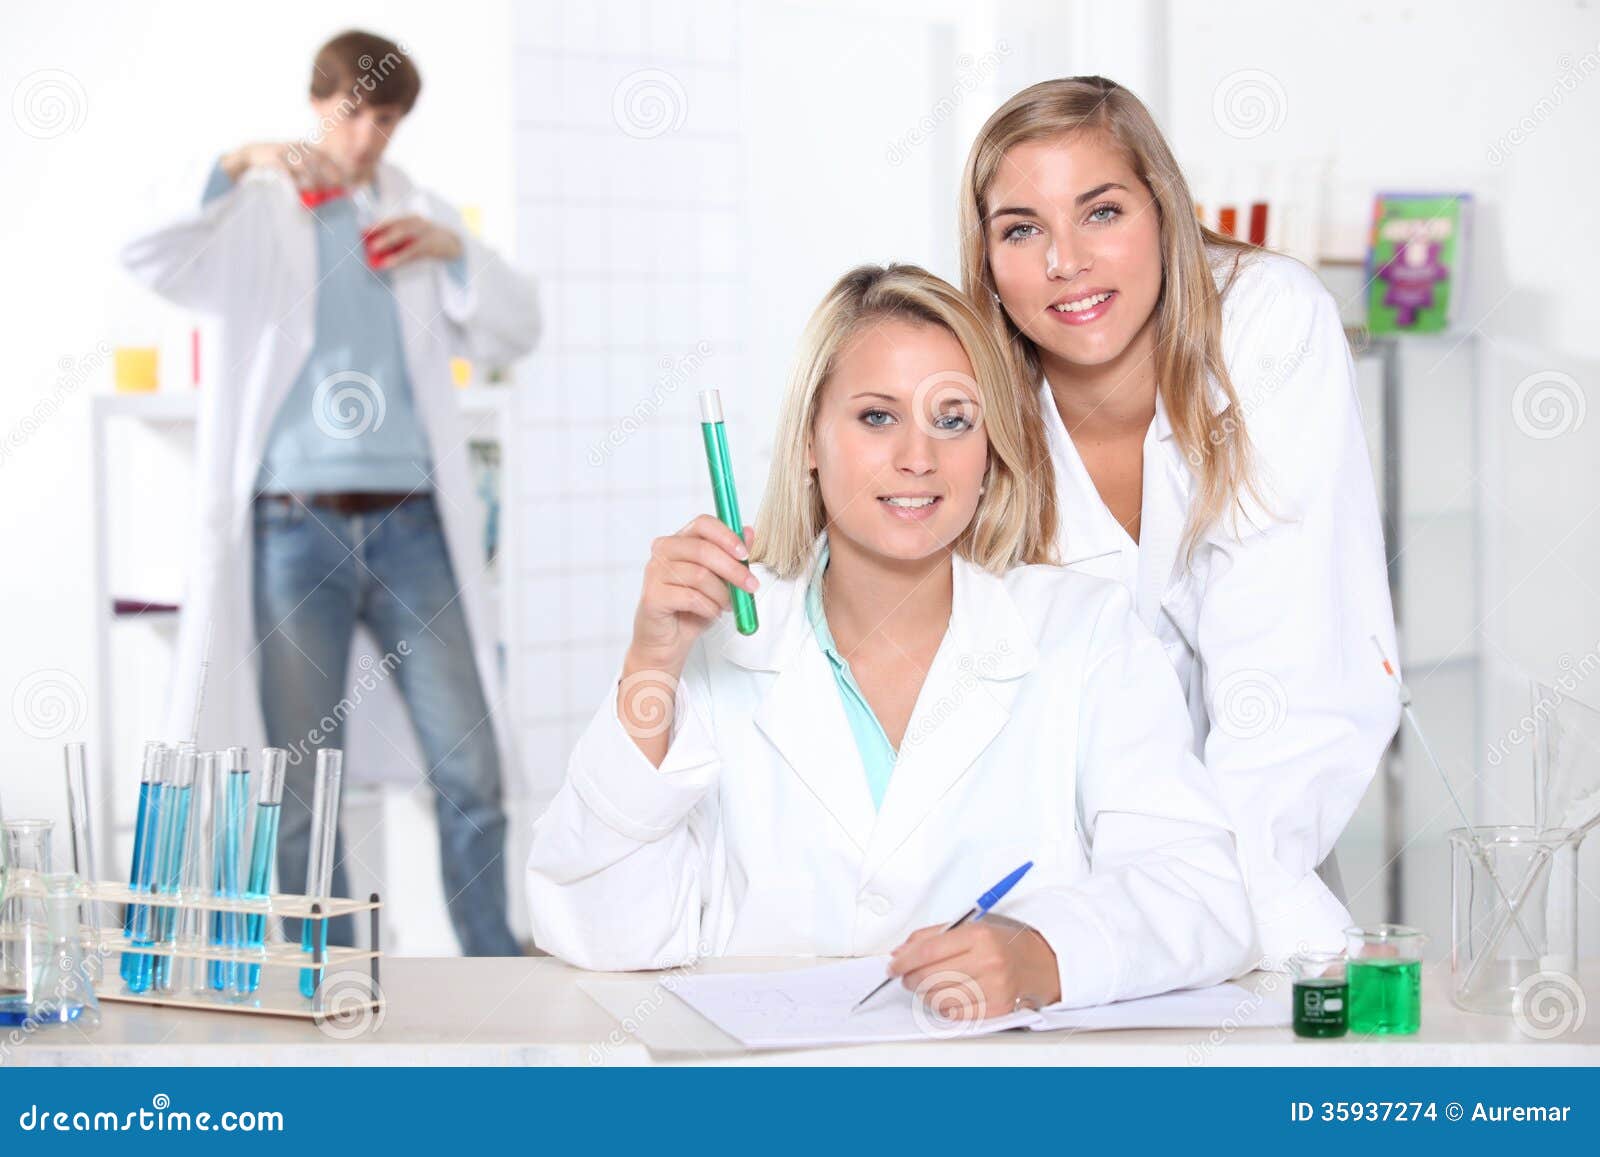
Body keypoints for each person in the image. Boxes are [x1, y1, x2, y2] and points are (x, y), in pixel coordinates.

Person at [526, 265, 1255, 1015]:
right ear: (809, 439)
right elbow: (606, 931)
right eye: (877, 417)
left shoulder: (1083, 632)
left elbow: (1201, 894)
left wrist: (1041, 956)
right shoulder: (719, 648)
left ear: (991, 449)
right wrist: (652, 664)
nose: (919, 457)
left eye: (953, 419)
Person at [959, 76, 1400, 965]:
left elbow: (1292, 672)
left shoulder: (1268, 326)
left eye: (1102, 212)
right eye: (1022, 229)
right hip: (1048, 905)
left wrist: (1185, 920)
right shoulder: (970, 390)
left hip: (1250, 878)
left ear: (1164, 209)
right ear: (988, 261)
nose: (1065, 262)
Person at [121, 30, 538, 955]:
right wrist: (237, 161)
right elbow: (145, 251)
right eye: (355, 114)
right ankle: (330, 974)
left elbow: (517, 327)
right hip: (291, 529)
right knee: (299, 777)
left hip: (412, 526)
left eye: (386, 121)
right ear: (320, 105)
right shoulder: (258, 211)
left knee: (468, 764)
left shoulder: (418, 217)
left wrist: (457, 251)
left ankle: (493, 960)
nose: (368, 138)